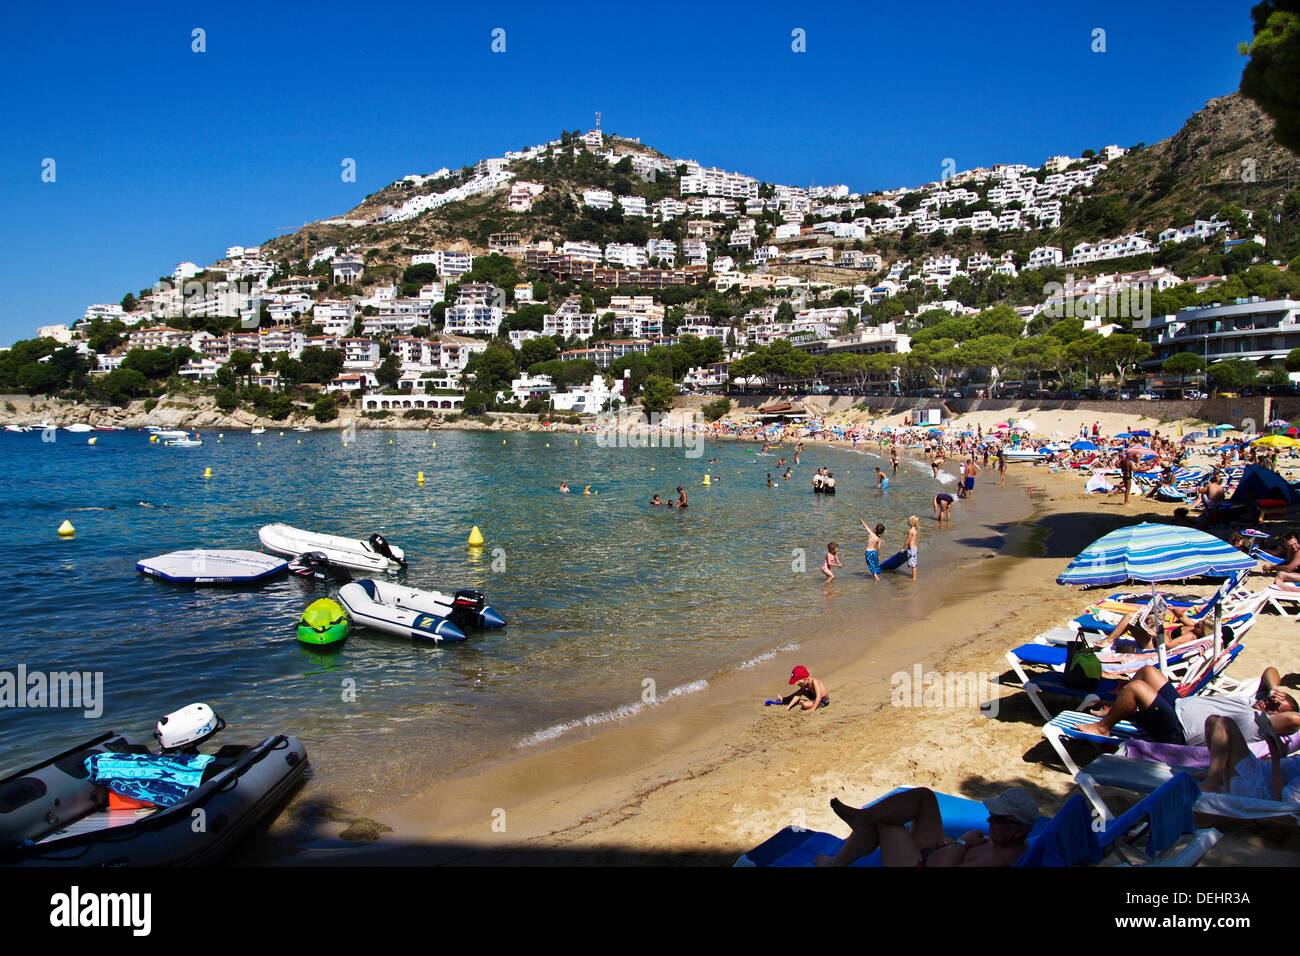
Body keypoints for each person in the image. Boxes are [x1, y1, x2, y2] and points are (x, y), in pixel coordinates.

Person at [814, 786, 1038, 867]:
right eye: (992, 815)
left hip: (921, 864)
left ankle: (836, 863)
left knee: (884, 823)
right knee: (924, 797)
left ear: (1018, 830)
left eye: (998, 819)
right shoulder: (1013, 844)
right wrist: (954, 845)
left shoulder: (997, 861)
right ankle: (864, 819)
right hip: (936, 852)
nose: (989, 821)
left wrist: (963, 842)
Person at [1074, 665, 1300, 744]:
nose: (1268, 705)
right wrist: (1273, 690)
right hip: (1178, 706)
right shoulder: (1254, 701)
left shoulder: (1262, 725)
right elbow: (1270, 670)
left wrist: (1277, 712)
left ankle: (1103, 726)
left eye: (1274, 708)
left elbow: (1294, 719)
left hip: (1177, 731)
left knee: (1135, 689)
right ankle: (1117, 710)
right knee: (1147, 672)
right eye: (1271, 701)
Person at [1201, 711, 1300, 803]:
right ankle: (1214, 774)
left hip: (1257, 789)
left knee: (1223, 724)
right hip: (1260, 771)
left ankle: (1212, 783)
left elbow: (1280, 800)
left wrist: (1275, 757)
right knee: (1212, 721)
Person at [904, 514, 919, 581]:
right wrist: (916, 547)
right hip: (914, 548)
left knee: (913, 565)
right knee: (914, 564)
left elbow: (907, 540)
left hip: (911, 549)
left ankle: (914, 578)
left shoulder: (910, 531)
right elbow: (916, 540)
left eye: (908, 521)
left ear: (910, 522)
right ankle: (914, 577)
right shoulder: (915, 530)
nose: (907, 522)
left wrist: (903, 548)